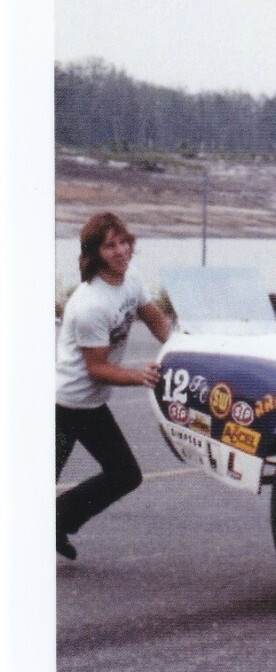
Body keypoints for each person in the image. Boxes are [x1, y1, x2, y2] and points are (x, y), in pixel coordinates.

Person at [56, 212, 172, 559]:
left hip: (89, 406)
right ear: (95, 253)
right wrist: (140, 375)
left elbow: (153, 317)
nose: (121, 251)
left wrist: (179, 345)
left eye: (124, 242)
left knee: (124, 474)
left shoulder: (131, 278)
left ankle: (56, 521)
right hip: (65, 406)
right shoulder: (91, 304)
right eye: (110, 246)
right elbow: (97, 368)